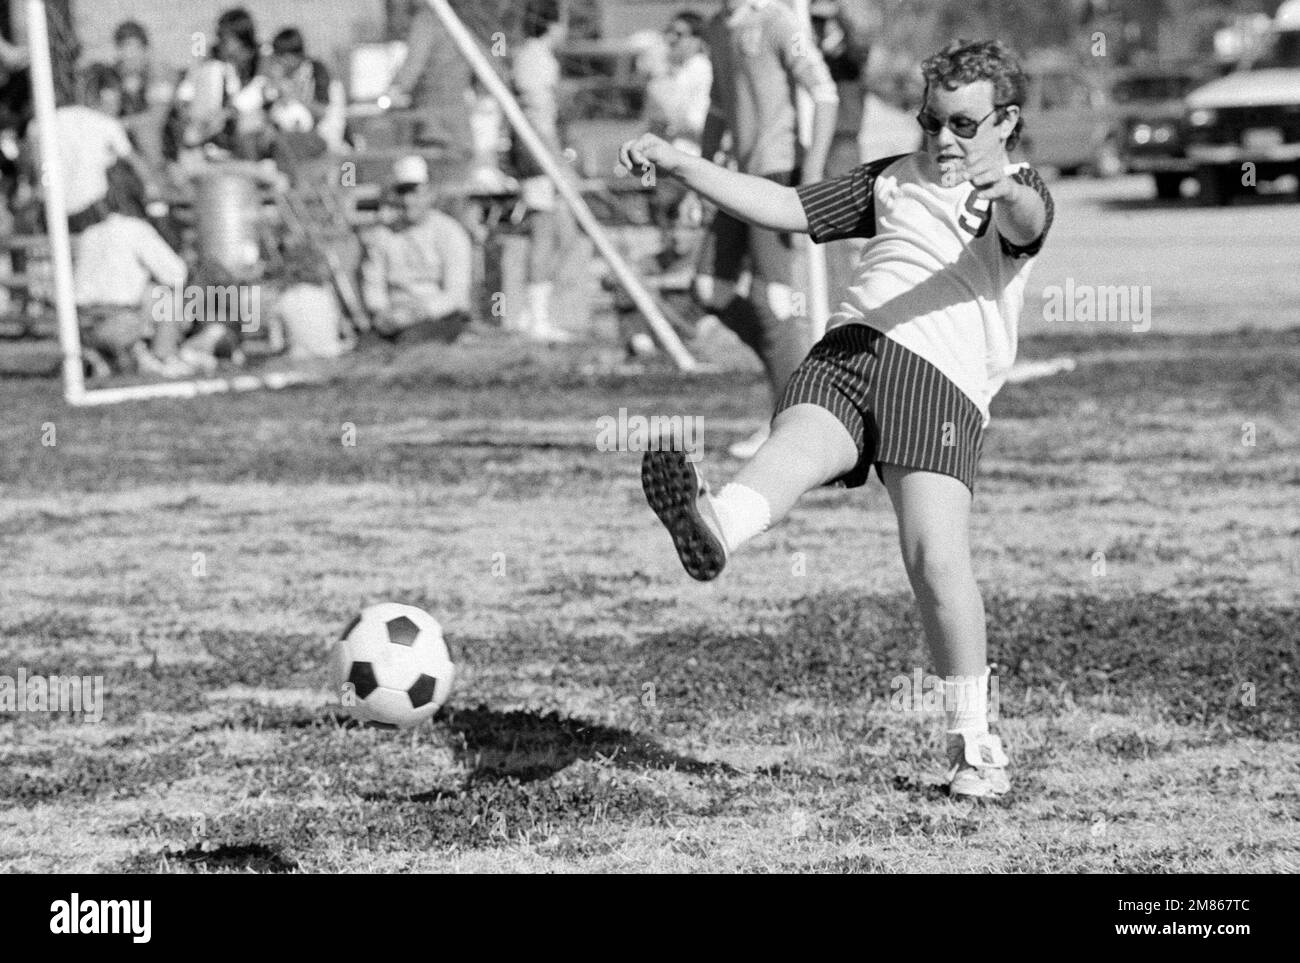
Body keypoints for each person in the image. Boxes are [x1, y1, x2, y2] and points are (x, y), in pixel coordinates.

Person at [622, 38, 1054, 799]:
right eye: (930, 121)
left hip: (938, 379)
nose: (942, 139)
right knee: (793, 444)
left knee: (934, 561)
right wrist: (685, 164)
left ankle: (974, 743)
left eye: (961, 123)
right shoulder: (891, 179)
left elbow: (1027, 222)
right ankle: (714, 524)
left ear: (1004, 120)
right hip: (851, 348)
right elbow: (788, 207)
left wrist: (1006, 181)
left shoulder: (1013, 191)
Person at [697, 0, 840, 459]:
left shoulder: (778, 21)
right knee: (708, 289)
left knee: (772, 301)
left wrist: (813, 174)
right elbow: (719, 107)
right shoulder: (717, 28)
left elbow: (825, 93)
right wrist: (695, 175)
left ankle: (791, 420)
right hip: (735, 181)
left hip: (776, 177)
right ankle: (802, 387)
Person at [508, 0, 578, 343]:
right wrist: (558, 163)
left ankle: (534, 311)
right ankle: (534, 317)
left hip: (543, 156)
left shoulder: (539, 58)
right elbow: (540, 119)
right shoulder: (535, 59)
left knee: (564, 236)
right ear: (552, 25)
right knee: (546, 234)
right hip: (537, 159)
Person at [361, 155, 473, 346]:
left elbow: (456, 293)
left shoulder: (449, 232)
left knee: (410, 343)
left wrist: (418, 312)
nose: (408, 201)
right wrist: (381, 312)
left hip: (439, 315)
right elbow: (373, 283)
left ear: (430, 194)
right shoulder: (382, 235)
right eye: (402, 193)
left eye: (414, 193)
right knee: (367, 348)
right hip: (394, 314)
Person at [645, 11, 713, 273]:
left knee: (688, 227)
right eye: (669, 32)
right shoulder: (678, 71)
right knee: (665, 218)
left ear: (696, 39)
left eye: (680, 34)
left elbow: (700, 122)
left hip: (691, 160)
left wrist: (666, 106)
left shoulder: (702, 70)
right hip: (669, 161)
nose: (672, 39)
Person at [167, 7, 268, 163]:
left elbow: (256, 94)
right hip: (207, 123)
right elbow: (186, 91)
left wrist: (226, 114)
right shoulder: (213, 60)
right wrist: (187, 112)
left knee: (249, 123)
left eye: (225, 37)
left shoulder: (262, 59)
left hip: (244, 124)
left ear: (240, 38)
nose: (220, 41)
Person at [384, 0, 473, 166]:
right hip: (459, 128)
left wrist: (392, 94)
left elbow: (411, 68)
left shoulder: (426, 21)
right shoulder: (459, 19)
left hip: (432, 127)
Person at [263, 27, 345, 155]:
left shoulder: (317, 71)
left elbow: (322, 110)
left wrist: (294, 97)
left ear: (290, 56)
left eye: (280, 58)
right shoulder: (285, 77)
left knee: (286, 143)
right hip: (297, 135)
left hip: (324, 134)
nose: (278, 63)